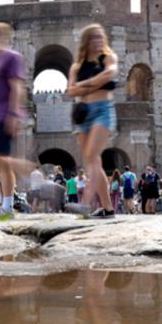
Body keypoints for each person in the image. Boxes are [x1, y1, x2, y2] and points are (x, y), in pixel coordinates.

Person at [65, 23, 119, 218]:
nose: (98, 40)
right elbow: (70, 90)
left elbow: (110, 74)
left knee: (91, 155)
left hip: (103, 110)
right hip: (83, 112)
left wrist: (84, 85)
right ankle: (108, 209)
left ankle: (85, 203)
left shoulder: (108, 57)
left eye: (100, 36)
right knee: (93, 160)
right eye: (94, 37)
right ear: (86, 41)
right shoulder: (77, 66)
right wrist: (96, 83)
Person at [0, 22, 28, 215]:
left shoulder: (11, 57)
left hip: (5, 115)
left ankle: (28, 172)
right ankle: (7, 204)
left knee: (2, 161)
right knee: (0, 162)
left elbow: (16, 85)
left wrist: (13, 113)